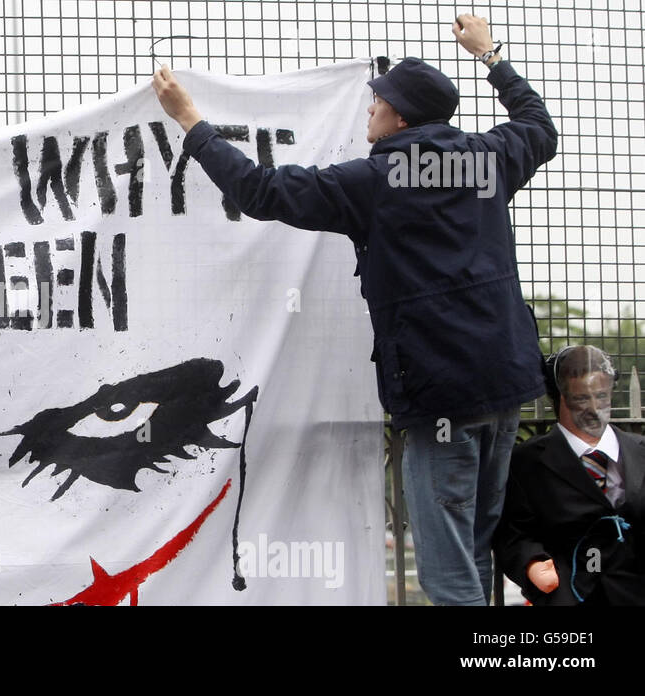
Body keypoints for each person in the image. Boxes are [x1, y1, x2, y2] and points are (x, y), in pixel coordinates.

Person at [152, 14, 557, 604]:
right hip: (506, 385)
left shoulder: (375, 182)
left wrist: (190, 121)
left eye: (378, 102)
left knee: (446, 575)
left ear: (403, 118)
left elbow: (262, 192)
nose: (369, 109)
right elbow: (538, 128)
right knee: (470, 549)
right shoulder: (488, 159)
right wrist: (491, 55)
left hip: (440, 396)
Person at [494, 346, 645, 605]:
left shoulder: (641, 452)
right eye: (582, 399)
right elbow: (512, 534)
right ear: (559, 398)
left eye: (602, 396)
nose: (595, 408)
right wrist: (532, 563)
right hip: (567, 596)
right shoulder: (525, 463)